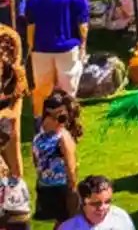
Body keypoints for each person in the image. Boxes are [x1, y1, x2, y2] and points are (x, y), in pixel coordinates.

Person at [24, 0, 89, 120]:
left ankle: (40, 121)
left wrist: (31, 47)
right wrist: (83, 45)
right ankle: (68, 121)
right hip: (67, 48)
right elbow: (83, 26)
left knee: (42, 90)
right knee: (68, 90)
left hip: (41, 49)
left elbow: (31, 27)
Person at [32, 90, 81, 225]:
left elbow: (71, 166)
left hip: (60, 186)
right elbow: (35, 157)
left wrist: (73, 189)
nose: (62, 121)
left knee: (65, 222)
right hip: (49, 187)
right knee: (64, 222)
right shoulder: (41, 131)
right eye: (59, 117)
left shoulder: (62, 136)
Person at [56, 176, 134, 230]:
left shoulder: (121, 217)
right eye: (96, 203)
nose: (103, 208)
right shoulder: (69, 227)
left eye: (107, 202)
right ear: (83, 202)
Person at [0, 28, 27, 180]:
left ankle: (18, 196)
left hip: (7, 108)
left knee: (15, 168)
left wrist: (10, 114)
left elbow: (19, 89)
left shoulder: (8, 37)